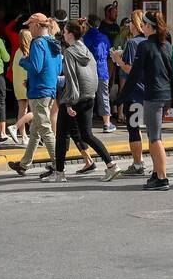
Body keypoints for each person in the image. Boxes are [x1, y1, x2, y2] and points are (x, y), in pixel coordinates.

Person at [49, 19, 122, 182]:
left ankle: (59, 174)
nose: (63, 34)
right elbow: (91, 75)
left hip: (73, 98)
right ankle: (111, 166)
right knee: (87, 135)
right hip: (89, 97)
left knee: (61, 135)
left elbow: (72, 78)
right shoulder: (86, 50)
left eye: (65, 31)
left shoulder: (69, 52)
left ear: (70, 34)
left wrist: (68, 102)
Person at [121, 11, 173, 190]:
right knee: (155, 135)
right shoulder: (167, 45)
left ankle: (162, 178)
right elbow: (171, 71)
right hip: (166, 95)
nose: (141, 27)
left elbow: (135, 74)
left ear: (149, 26)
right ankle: (155, 172)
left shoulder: (144, 46)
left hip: (153, 95)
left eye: (144, 25)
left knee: (155, 138)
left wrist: (121, 98)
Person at [9, 13, 60, 177]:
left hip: (39, 90)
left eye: (30, 25)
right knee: (36, 130)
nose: (28, 29)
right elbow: (58, 68)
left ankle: (57, 166)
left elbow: (36, 66)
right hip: (50, 89)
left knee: (44, 130)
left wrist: (23, 61)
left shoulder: (37, 43)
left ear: (38, 25)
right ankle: (24, 165)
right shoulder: (53, 42)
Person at [107, 10, 150, 178]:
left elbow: (130, 69)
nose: (128, 26)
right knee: (142, 128)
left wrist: (117, 58)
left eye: (130, 23)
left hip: (135, 91)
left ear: (136, 23)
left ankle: (137, 163)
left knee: (133, 128)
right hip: (147, 90)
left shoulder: (133, 43)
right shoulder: (148, 42)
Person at [83, 14, 115, 133]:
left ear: (87, 24)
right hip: (102, 69)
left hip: (89, 70)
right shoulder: (104, 37)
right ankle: (107, 123)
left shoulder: (85, 37)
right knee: (103, 96)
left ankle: (87, 122)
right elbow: (108, 53)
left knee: (88, 96)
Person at [10, 28, 32, 143]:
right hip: (27, 84)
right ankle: (17, 128)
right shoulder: (29, 52)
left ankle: (23, 136)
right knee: (34, 110)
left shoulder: (18, 52)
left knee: (22, 110)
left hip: (18, 84)